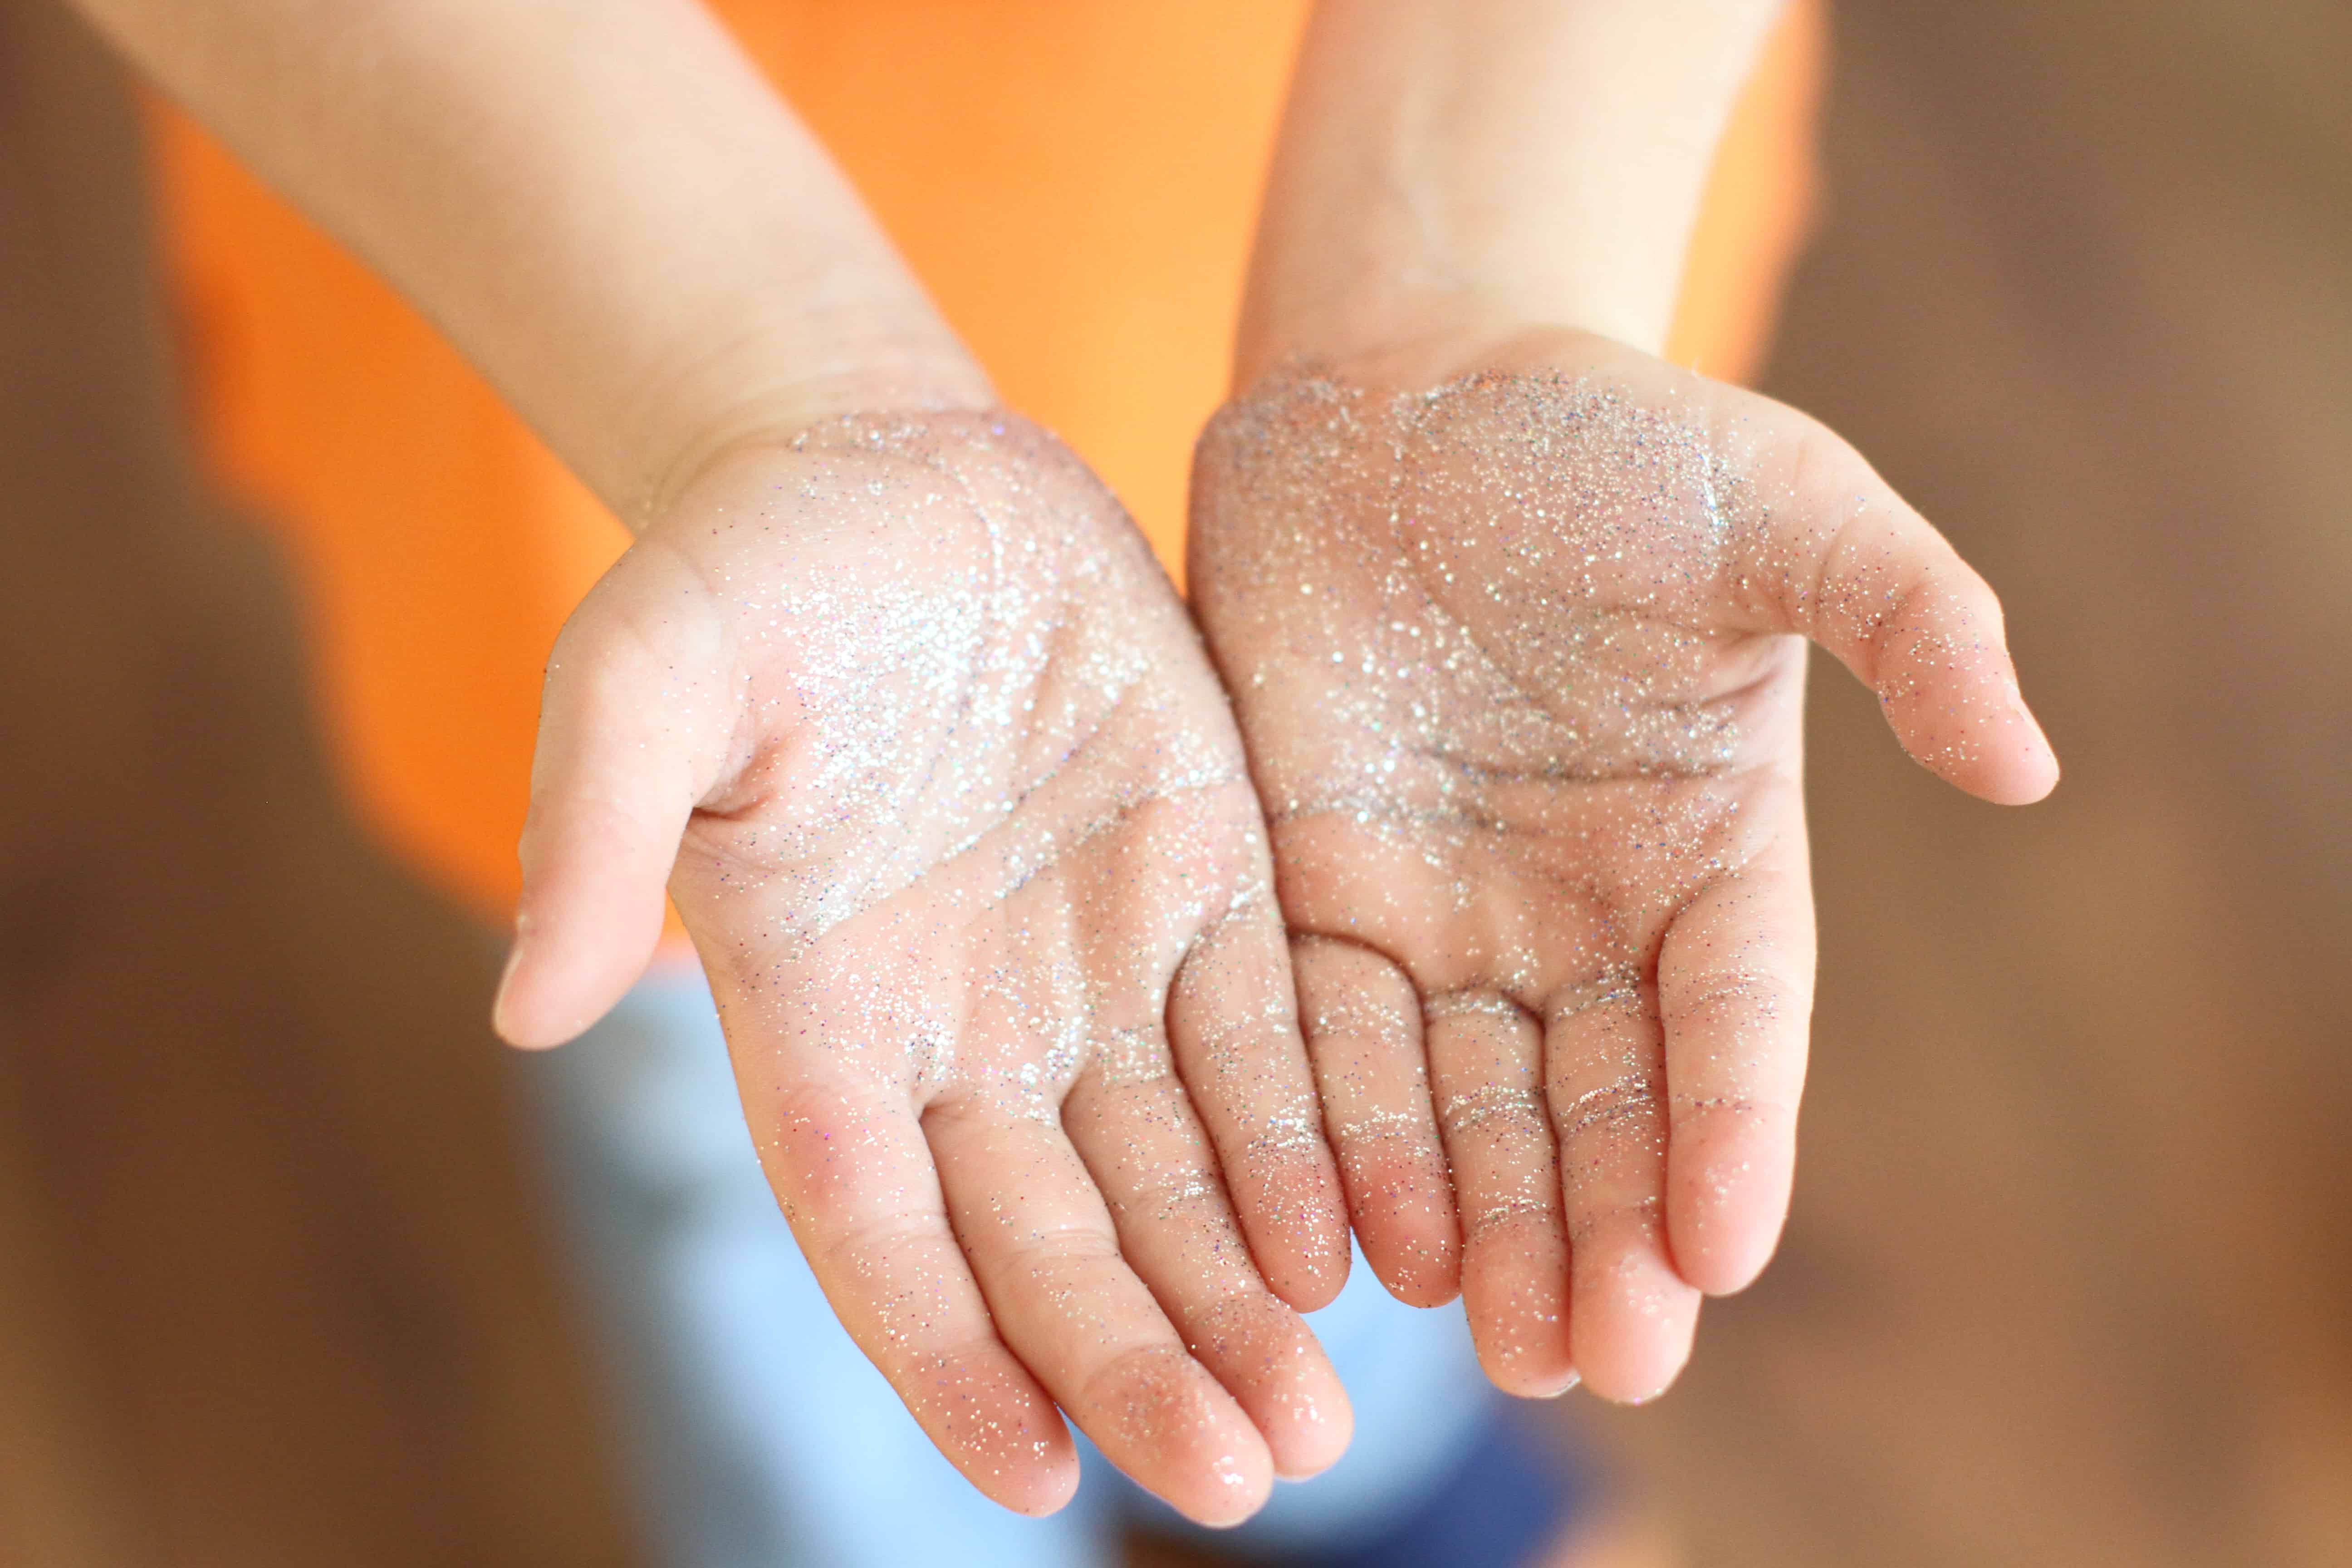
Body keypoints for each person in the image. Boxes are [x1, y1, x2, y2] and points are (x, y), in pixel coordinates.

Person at [77, 0, 2053, 1561]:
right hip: (603, 294)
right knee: (771, 1100)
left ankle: (1365, 1453)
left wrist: (1461, 277)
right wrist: (773, 378)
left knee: (1397, 1010)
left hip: (1478, 152)